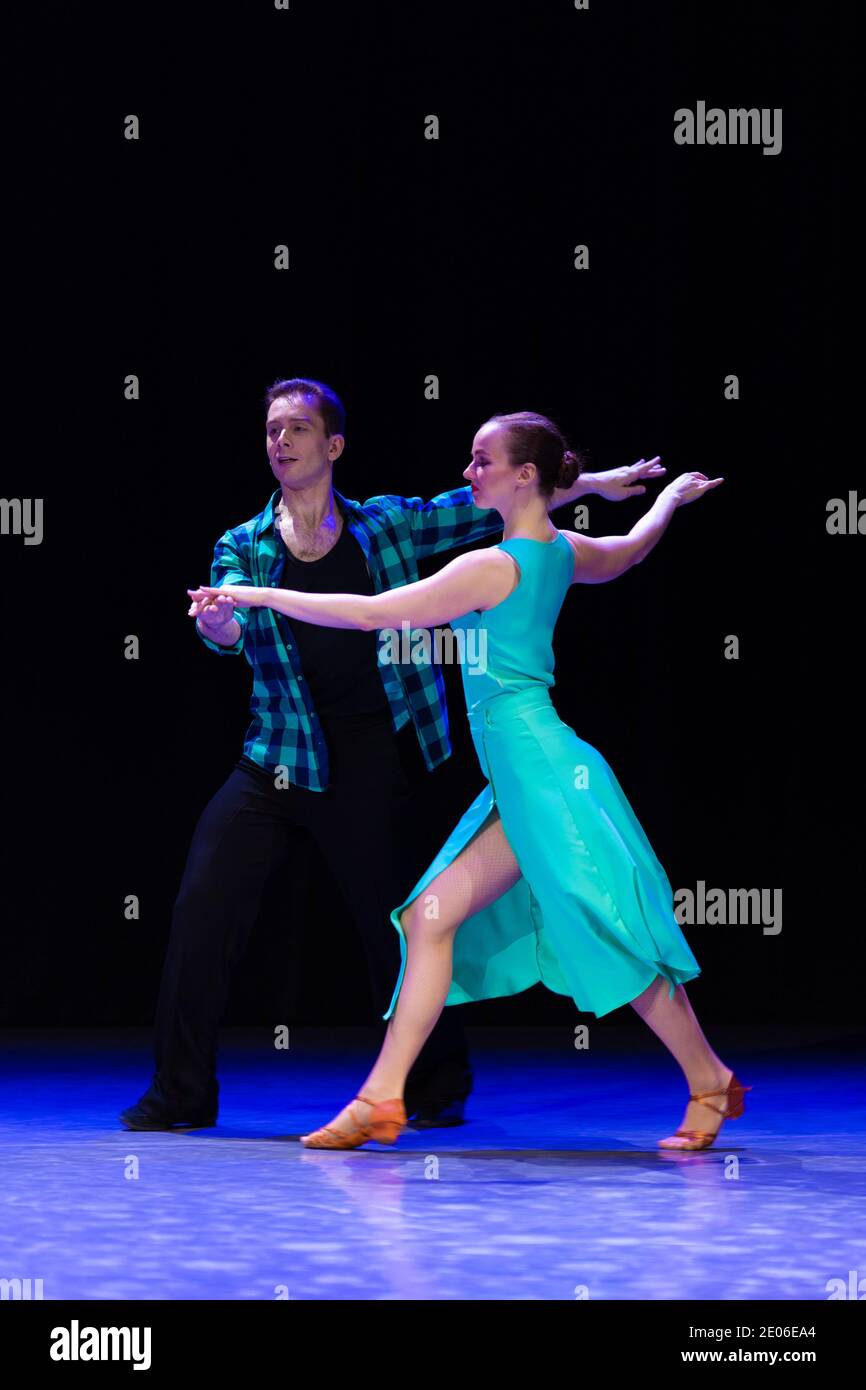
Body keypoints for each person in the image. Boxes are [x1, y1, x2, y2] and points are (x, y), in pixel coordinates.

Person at [191, 409, 752, 1153]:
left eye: (481, 460)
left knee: (606, 927)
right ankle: (381, 1099)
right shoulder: (558, 549)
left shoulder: (494, 565)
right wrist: (666, 501)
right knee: (428, 918)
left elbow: (372, 615)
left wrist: (261, 596)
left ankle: (710, 1078)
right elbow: (627, 552)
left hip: (542, 772)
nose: (468, 472)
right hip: (524, 772)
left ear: (525, 475)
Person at [121, 379, 656, 1132]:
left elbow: (495, 499)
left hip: (368, 753)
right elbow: (232, 623)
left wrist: (590, 481)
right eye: (272, 430)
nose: (281, 441)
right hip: (276, 755)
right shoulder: (243, 544)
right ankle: (180, 1094)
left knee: (400, 924)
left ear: (332, 446)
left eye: (298, 429)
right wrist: (219, 631)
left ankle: (435, 1084)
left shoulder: (387, 527)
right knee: (200, 908)